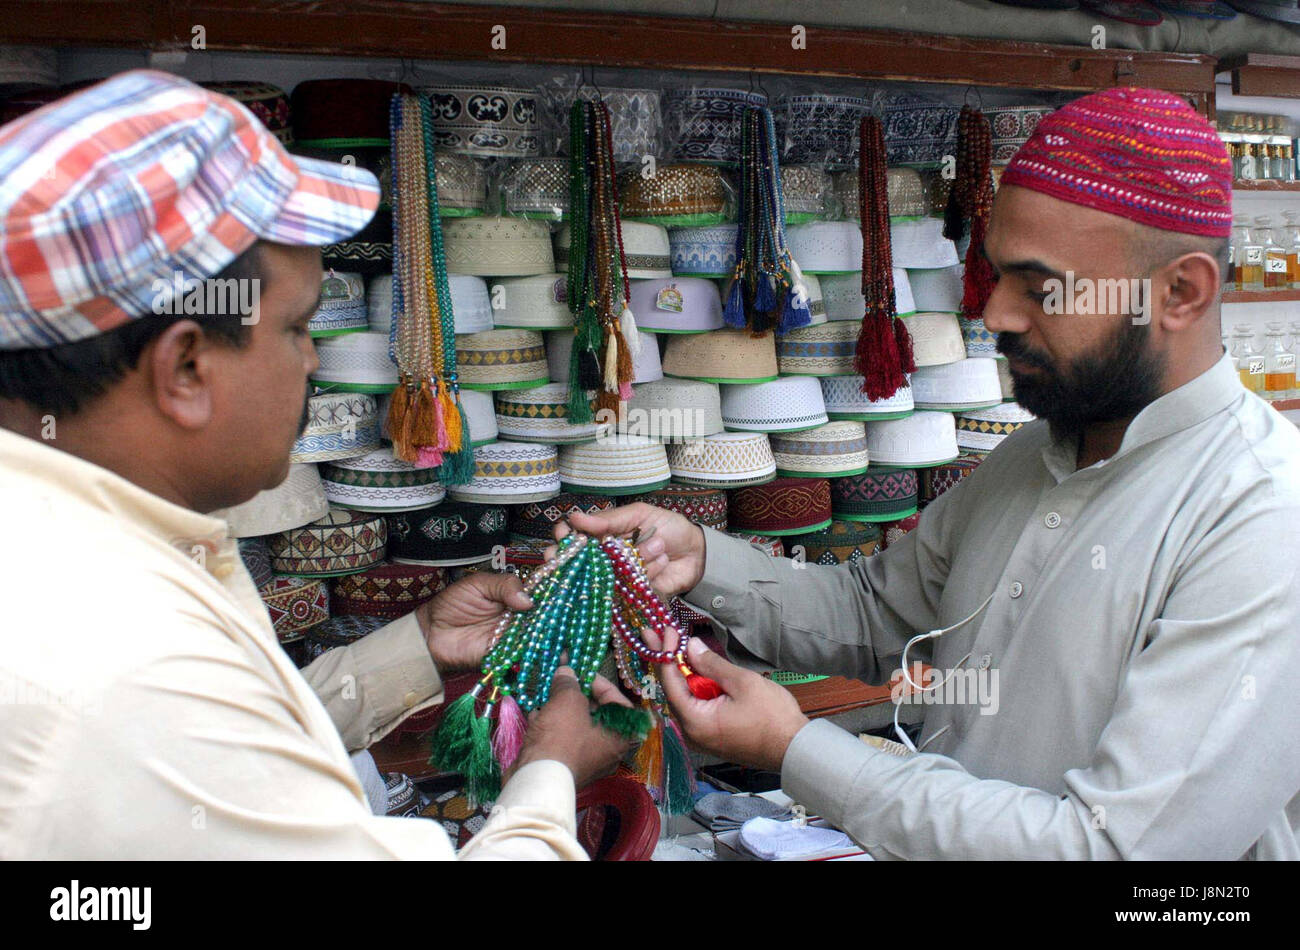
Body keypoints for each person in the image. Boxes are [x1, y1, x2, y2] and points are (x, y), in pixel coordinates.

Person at [563, 87, 1300, 860]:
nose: (997, 315)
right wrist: (703, 559)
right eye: (994, 275)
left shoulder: (1263, 524)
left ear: (1180, 293)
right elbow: (879, 613)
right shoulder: (1033, 456)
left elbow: (1111, 852)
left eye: (1039, 288)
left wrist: (799, 752)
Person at [0, 70, 629, 860]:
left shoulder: (69, 556)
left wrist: (418, 646)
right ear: (187, 369)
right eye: (299, 329)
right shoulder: (125, 651)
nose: (312, 362)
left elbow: (231, 753)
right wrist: (549, 776)